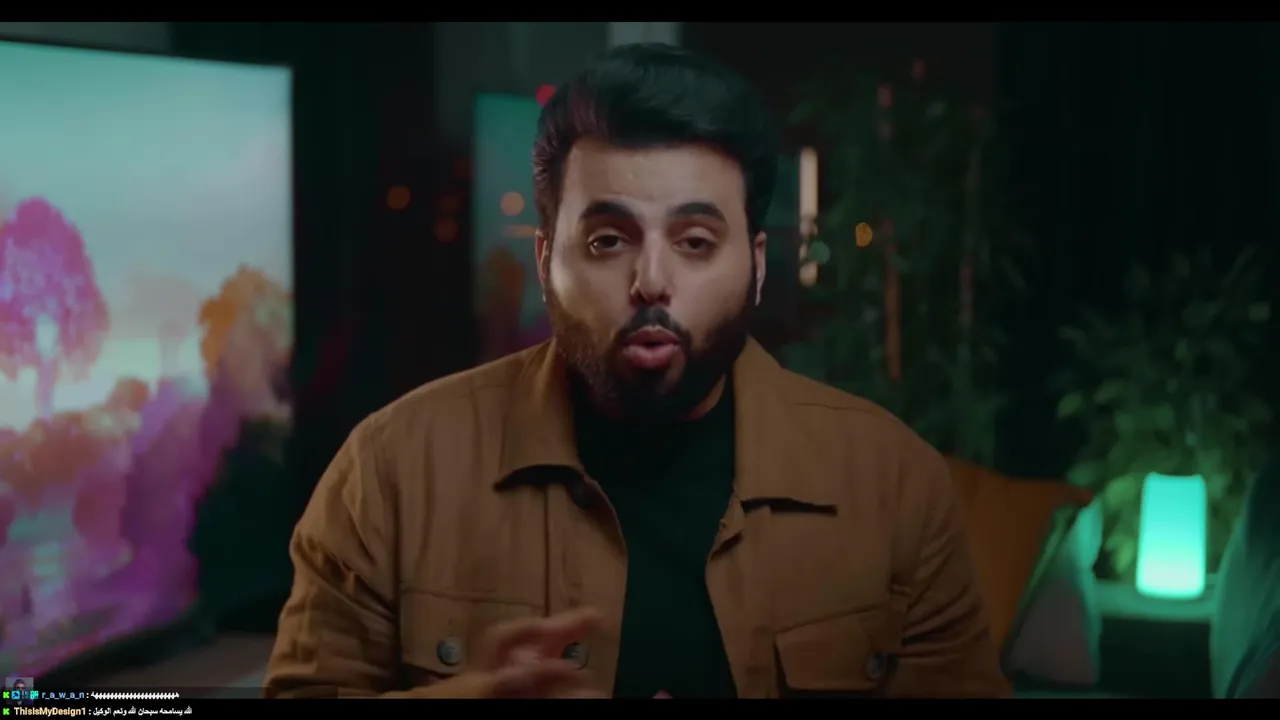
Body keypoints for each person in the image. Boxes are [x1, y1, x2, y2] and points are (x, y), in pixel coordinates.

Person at [265, 43, 1008, 699]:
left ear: (755, 266)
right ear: (544, 261)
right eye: (608, 240)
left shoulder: (892, 485)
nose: (651, 281)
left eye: (694, 241)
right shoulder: (391, 473)